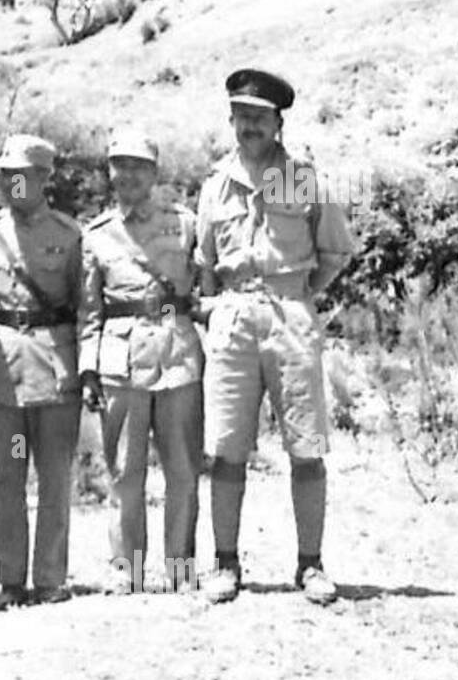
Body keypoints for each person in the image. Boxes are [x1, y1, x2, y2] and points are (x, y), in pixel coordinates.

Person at [196, 69, 354, 604]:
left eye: (259, 117)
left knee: (306, 447)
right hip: (234, 317)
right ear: (231, 120)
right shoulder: (215, 184)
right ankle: (224, 564)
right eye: (241, 116)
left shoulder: (303, 178)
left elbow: (333, 252)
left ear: (278, 122)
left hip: (290, 315)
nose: (250, 126)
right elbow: (206, 263)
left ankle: (310, 565)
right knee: (225, 449)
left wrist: (298, 291)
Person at [80, 131, 203, 595]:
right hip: (121, 360)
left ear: (154, 173)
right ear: (109, 173)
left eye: (138, 166)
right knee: (125, 473)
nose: (128, 175)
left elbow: (203, 285)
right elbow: (88, 310)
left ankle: (181, 568)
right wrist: (88, 369)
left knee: (183, 469)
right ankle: (126, 567)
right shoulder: (95, 235)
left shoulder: (184, 224)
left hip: (176, 355)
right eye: (119, 165)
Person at [0, 134, 83, 606]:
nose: (15, 185)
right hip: (5, 377)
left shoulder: (70, 235)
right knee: (8, 475)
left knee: (54, 475)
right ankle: (11, 578)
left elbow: (83, 304)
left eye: (25, 177)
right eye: (7, 177)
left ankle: (51, 576)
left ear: (44, 179)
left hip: (54, 369)